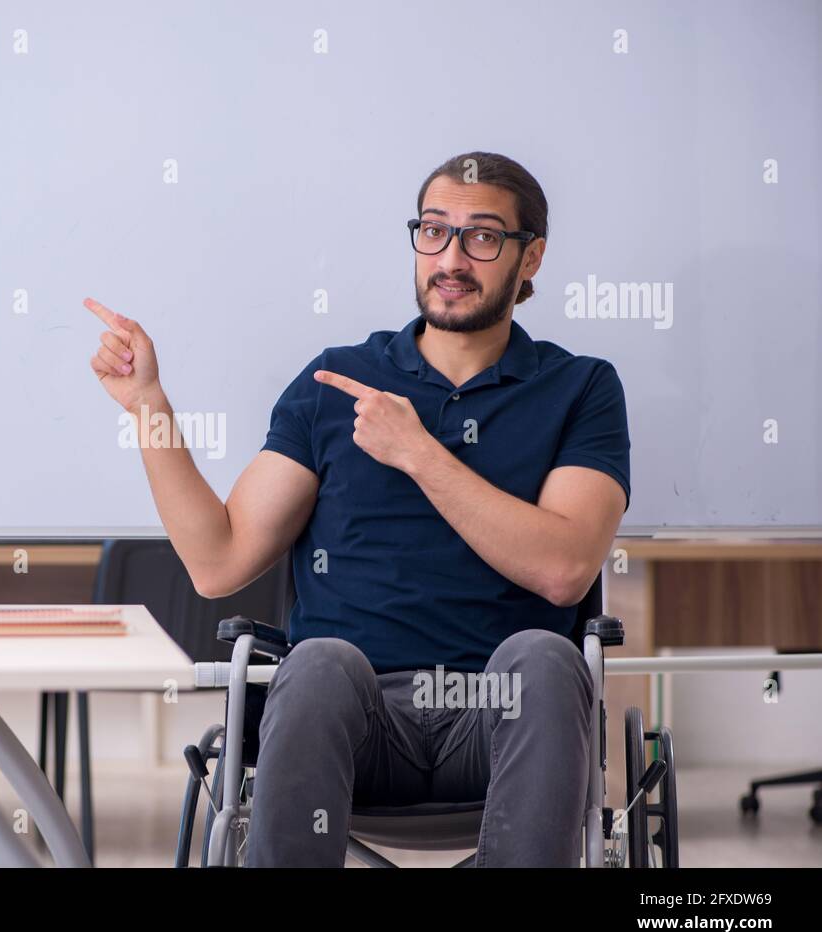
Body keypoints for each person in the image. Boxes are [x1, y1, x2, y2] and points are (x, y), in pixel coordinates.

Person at [84, 151, 630, 867]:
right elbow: (218, 560)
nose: (452, 257)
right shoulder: (336, 384)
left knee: (546, 657)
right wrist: (150, 408)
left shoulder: (582, 388)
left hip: (503, 716)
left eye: (484, 236)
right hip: (357, 720)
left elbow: (563, 569)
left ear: (531, 259)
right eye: (433, 231)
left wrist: (420, 452)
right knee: (315, 663)